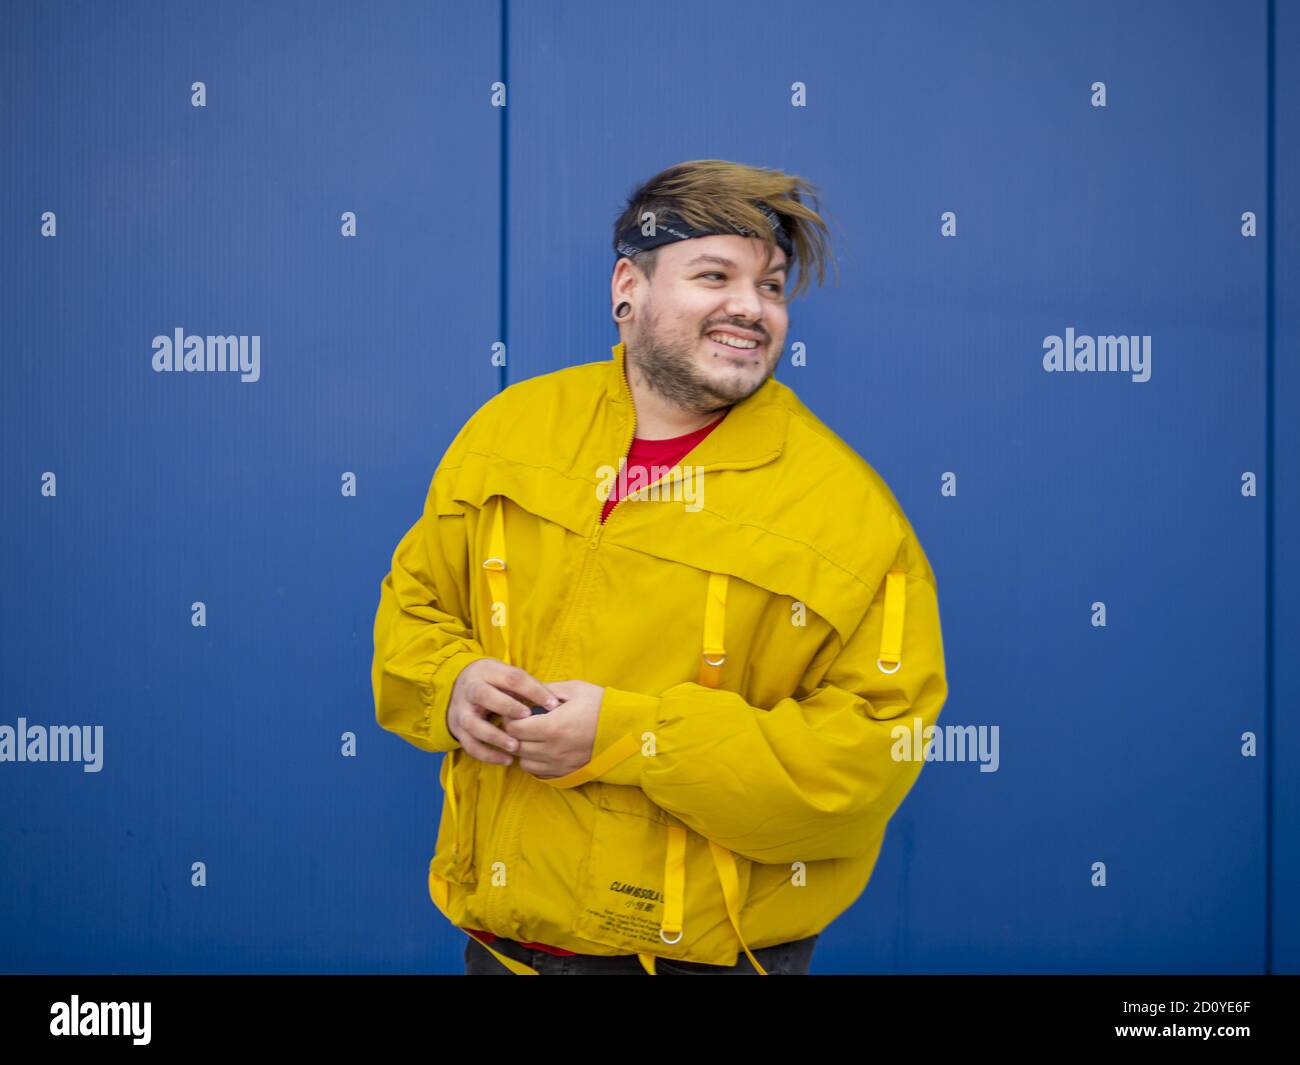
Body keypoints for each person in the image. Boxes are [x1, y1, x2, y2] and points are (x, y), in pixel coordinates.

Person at [372, 159, 949, 976]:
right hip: (503, 950)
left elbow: (866, 761)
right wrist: (454, 684)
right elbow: (415, 608)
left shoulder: (846, 511)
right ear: (627, 287)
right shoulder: (508, 434)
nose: (750, 307)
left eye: (772, 286)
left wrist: (635, 738)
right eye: (714, 274)